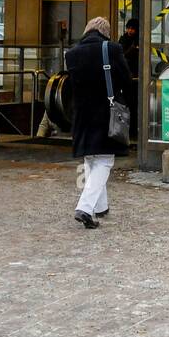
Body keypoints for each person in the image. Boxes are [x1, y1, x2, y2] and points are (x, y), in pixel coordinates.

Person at [65, 16, 131, 229]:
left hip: (81, 113)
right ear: (106, 32)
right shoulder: (112, 48)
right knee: (104, 160)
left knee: (92, 158)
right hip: (105, 111)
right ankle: (85, 207)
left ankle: (100, 207)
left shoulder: (72, 53)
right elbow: (126, 78)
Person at [119, 18, 141, 135]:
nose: (130, 31)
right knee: (127, 104)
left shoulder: (138, 40)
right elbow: (122, 56)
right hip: (127, 76)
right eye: (128, 28)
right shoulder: (123, 40)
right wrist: (132, 49)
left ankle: (133, 129)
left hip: (137, 76)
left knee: (134, 105)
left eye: (132, 29)